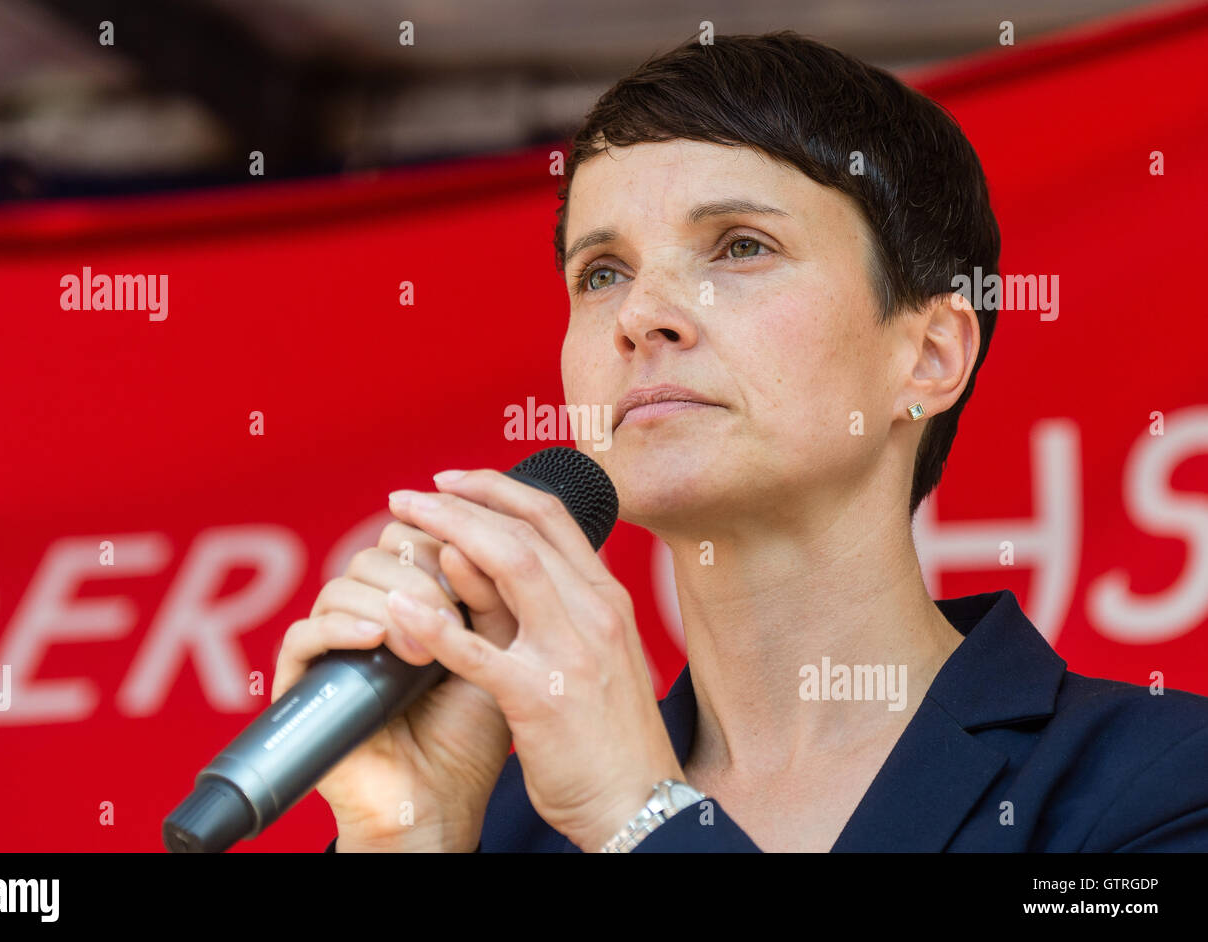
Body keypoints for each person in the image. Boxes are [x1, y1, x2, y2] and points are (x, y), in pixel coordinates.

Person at [275, 31, 1208, 853]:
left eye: (739, 247)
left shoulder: (1157, 782)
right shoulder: (501, 822)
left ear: (929, 354)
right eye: (600, 273)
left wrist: (640, 816)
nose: (641, 317)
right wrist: (413, 839)